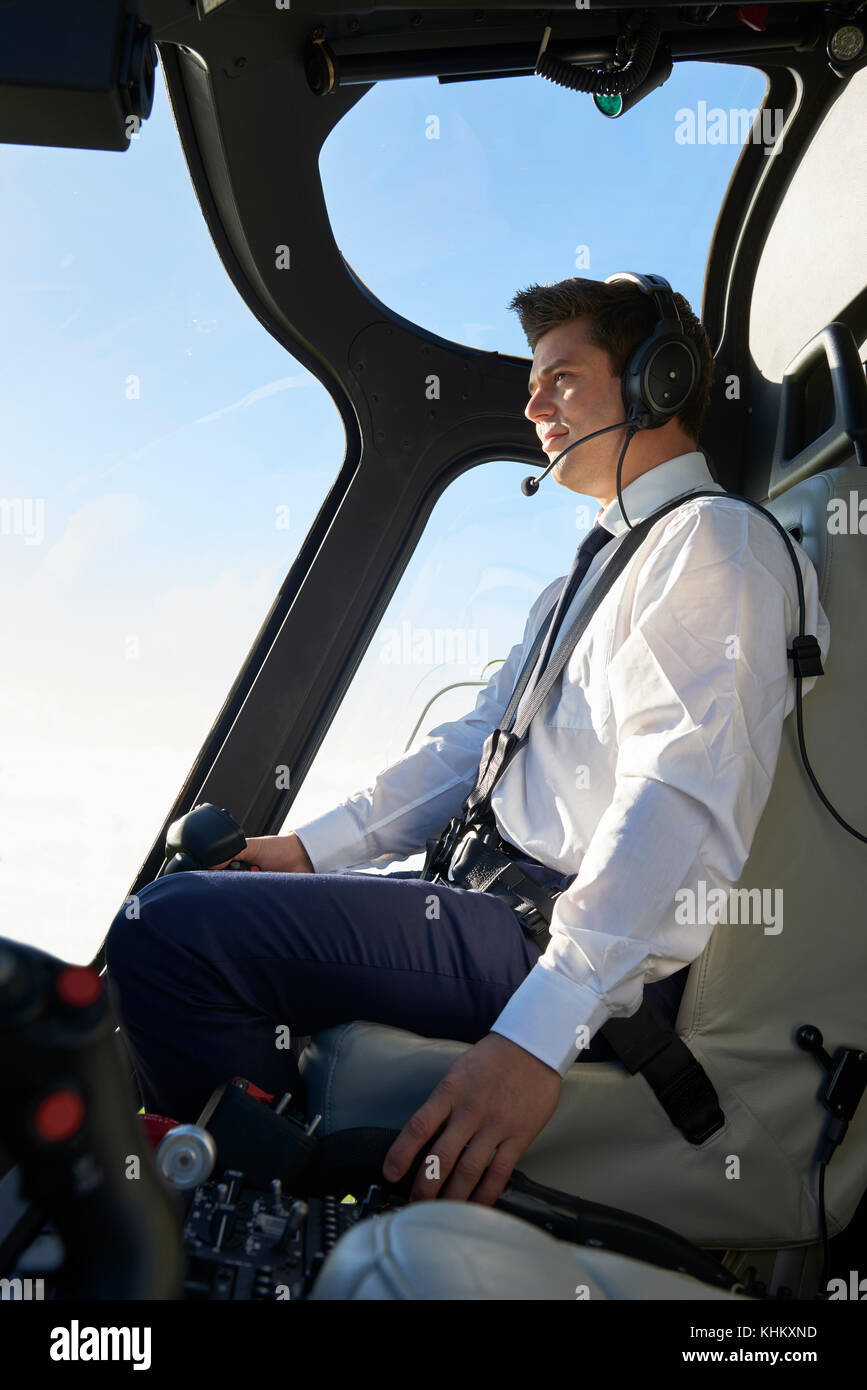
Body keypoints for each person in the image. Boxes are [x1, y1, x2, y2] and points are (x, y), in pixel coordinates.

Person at [105, 276, 829, 1209]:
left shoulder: (713, 548)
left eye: (561, 378)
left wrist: (537, 1035)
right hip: (487, 908)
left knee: (168, 937)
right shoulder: (604, 563)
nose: (532, 404)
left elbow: (676, 801)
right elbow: (471, 749)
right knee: (194, 906)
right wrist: (307, 851)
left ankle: (269, 1226)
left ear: (661, 381)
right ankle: (292, 1203)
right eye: (535, 383)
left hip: (561, 942)